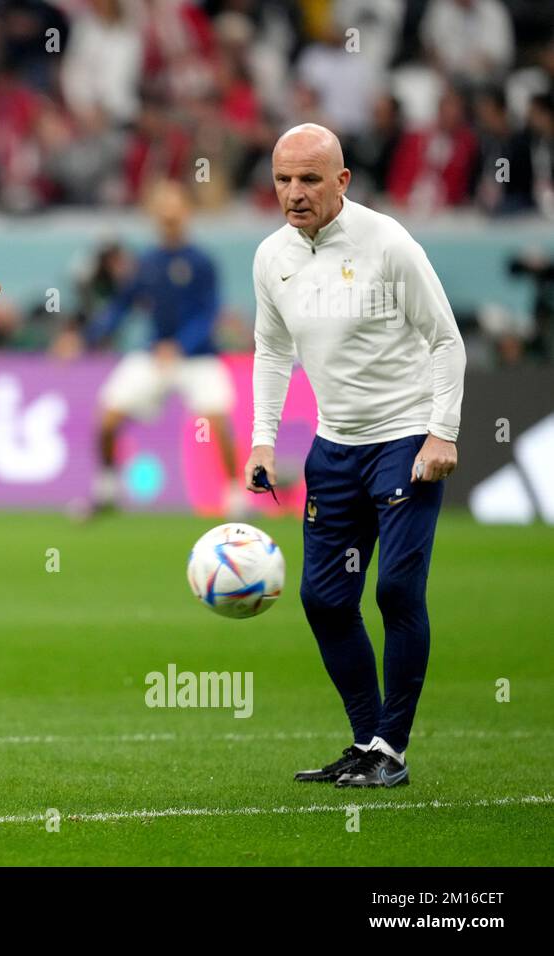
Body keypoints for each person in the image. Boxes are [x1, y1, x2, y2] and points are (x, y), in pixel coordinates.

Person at [247, 124, 466, 788]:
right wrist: (262, 438)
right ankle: (367, 739)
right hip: (334, 448)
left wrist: (443, 431)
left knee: (396, 589)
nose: (294, 192)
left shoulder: (388, 243)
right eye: (283, 179)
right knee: (324, 599)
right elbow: (271, 350)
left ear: (342, 181)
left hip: (404, 439)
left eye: (309, 179)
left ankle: (391, 750)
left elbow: (446, 339)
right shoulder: (272, 257)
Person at [77, 181, 240, 516]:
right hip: (155, 354)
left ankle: (236, 496)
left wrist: (181, 345)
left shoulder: (201, 262)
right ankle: (107, 489)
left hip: (198, 356)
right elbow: (122, 306)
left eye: (174, 206)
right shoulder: (146, 262)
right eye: (162, 207)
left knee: (217, 420)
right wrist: (87, 337)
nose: (168, 214)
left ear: (186, 212)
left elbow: (208, 313)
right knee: (107, 418)